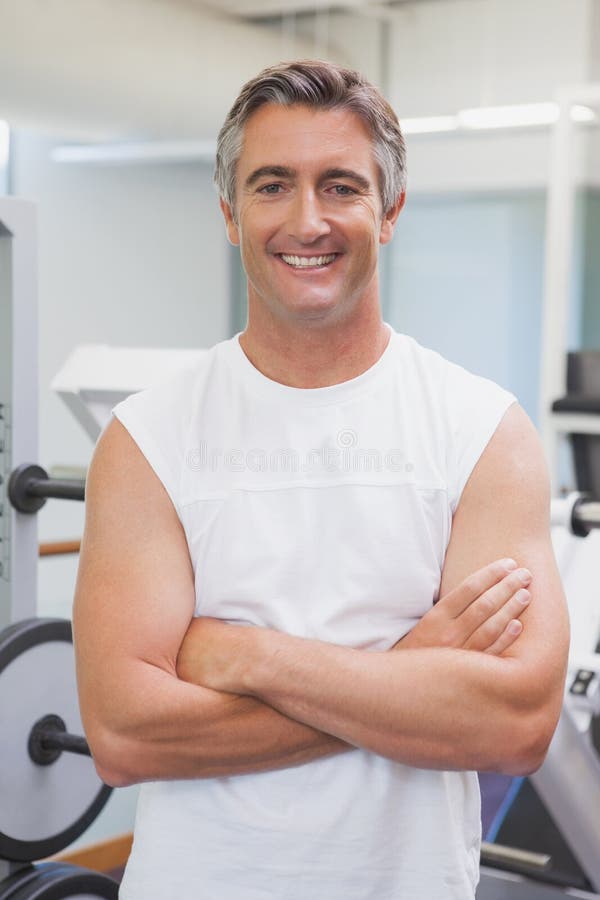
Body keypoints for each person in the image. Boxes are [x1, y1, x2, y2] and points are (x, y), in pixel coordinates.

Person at [73, 60, 569, 899]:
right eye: (273, 186)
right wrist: (411, 669)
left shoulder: (483, 431)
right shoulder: (146, 439)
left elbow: (515, 724)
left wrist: (244, 653)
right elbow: (125, 735)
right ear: (231, 214)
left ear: (391, 209)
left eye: (341, 186)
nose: (308, 221)